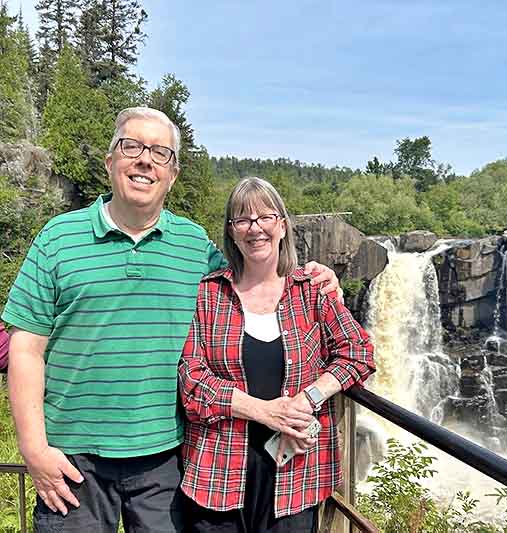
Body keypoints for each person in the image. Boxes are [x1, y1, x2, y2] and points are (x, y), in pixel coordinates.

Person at [1, 107, 340, 533]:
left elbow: (253, 280)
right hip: (72, 459)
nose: (145, 160)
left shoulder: (193, 244)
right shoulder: (57, 238)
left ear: (172, 174)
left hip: (164, 459)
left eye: (160, 153)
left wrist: (315, 278)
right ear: (110, 162)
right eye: (132, 146)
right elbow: (26, 349)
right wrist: (33, 449)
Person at [178, 176, 375, 533]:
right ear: (232, 232)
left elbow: (358, 352)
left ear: (282, 226)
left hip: (295, 475)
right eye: (243, 219)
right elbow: (192, 381)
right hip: (218, 471)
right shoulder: (209, 294)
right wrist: (267, 412)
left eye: (265, 217)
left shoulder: (311, 291)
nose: (255, 228)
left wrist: (309, 397)